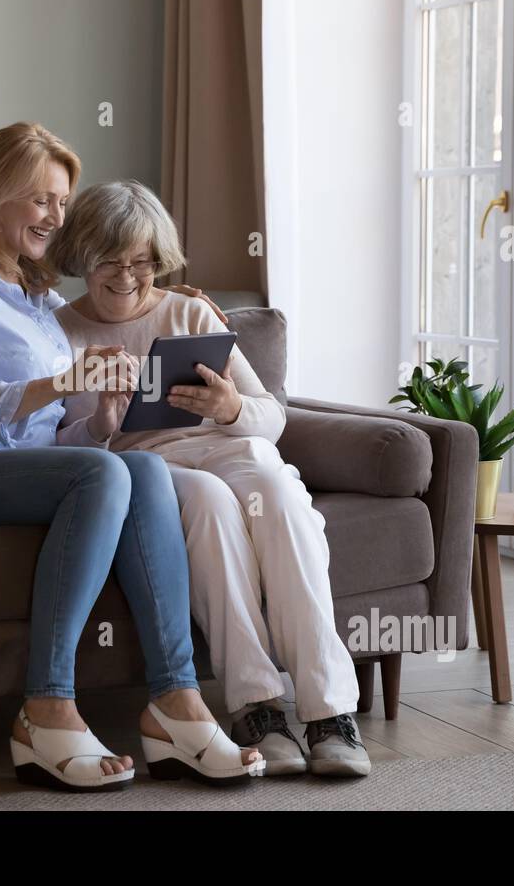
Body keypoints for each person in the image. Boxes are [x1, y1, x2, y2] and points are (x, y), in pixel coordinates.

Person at [0, 125, 262, 791]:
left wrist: (102, 416)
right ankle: (47, 708)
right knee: (108, 470)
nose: (55, 218)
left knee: (137, 466)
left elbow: (68, 444)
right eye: (39, 200)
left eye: (61, 202)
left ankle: (177, 703)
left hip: (20, 471)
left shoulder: (42, 299)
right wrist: (63, 382)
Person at [46, 179, 370, 777]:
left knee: (279, 495)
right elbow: (49, 448)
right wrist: (101, 422)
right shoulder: (57, 331)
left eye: (141, 263)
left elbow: (271, 417)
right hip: (145, 467)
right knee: (212, 505)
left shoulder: (190, 312)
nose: (125, 277)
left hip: (227, 443)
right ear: (81, 258)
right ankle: (257, 707)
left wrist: (229, 408)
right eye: (109, 262)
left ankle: (330, 713)